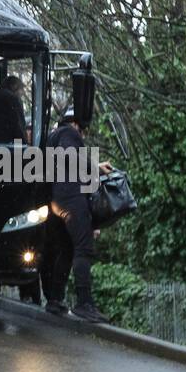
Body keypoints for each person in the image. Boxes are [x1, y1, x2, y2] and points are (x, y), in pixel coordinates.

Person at [41, 107, 112, 322]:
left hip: (56, 200)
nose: (82, 136)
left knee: (67, 248)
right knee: (84, 247)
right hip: (71, 197)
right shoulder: (67, 133)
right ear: (75, 124)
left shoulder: (51, 137)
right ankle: (84, 303)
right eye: (82, 131)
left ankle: (55, 299)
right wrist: (95, 168)